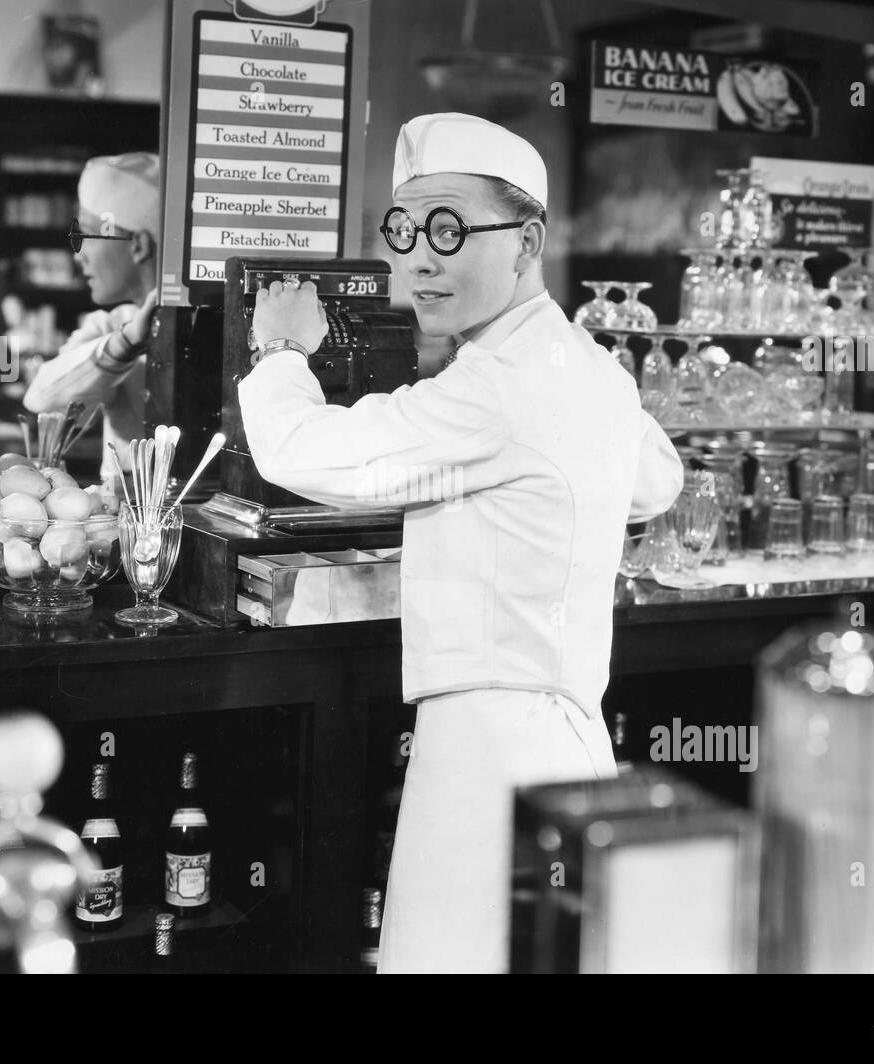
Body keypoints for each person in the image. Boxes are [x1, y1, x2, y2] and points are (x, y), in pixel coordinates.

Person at [238, 112, 684, 973]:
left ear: (527, 242)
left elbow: (315, 456)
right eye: (403, 230)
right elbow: (654, 480)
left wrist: (281, 347)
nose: (419, 259)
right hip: (566, 731)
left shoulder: (499, 387)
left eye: (448, 229)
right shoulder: (581, 363)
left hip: (489, 746)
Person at [22, 151, 160, 476]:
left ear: (138, 245)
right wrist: (125, 344)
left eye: (84, 236)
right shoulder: (111, 326)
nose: (77, 256)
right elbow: (42, 401)